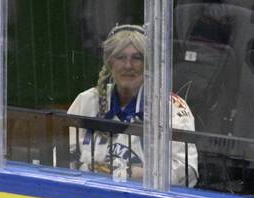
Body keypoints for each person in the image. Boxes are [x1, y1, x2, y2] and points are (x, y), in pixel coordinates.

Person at [68, 24, 198, 187]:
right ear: (110, 62)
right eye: (121, 57)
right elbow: (65, 157)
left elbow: (187, 173)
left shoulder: (172, 109)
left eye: (137, 58)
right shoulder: (86, 101)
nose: (128, 65)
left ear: (148, 64)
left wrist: (134, 174)